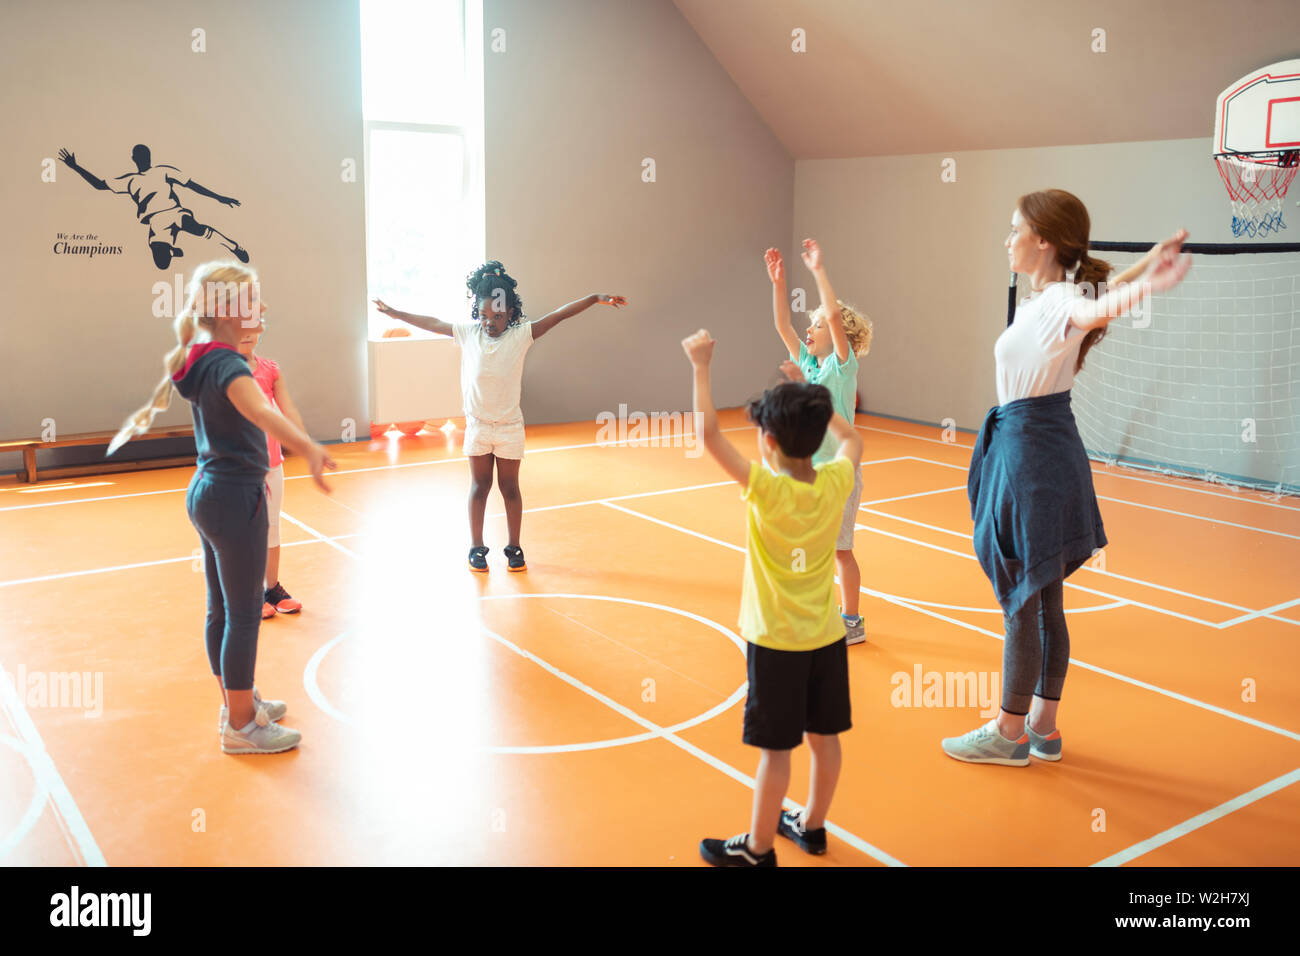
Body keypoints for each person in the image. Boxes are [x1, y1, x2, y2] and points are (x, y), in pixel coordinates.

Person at [944, 189, 1191, 765]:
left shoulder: (1060, 305)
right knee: (1046, 597)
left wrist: (1152, 284)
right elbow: (1091, 298)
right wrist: (1148, 261)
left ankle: (1007, 734)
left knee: (1024, 599)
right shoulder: (1050, 298)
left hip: (1032, 457)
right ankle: (1043, 729)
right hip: (1043, 449)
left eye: (1014, 230)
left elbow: (1091, 310)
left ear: (1044, 240)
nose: (1007, 240)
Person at [109, 261, 336, 754]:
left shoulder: (201, 356)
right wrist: (310, 449)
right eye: (256, 301)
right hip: (235, 498)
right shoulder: (231, 365)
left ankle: (236, 702)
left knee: (222, 610)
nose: (265, 308)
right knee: (244, 614)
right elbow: (260, 411)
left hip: (207, 491)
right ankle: (242, 728)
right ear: (230, 311)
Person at [682, 329, 862, 867]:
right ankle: (813, 826)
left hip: (776, 642)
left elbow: (709, 436)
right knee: (825, 738)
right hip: (826, 638)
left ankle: (759, 849)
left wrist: (700, 365)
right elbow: (852, 439)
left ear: (767, 442)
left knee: (776, 752)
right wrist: (813, 390)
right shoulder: (834, 482)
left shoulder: (765, 489)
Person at [374, 261, 625, 572]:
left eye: (498, 316)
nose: (490, 322)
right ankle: (476, 547)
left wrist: (595, 297)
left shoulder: (522, 336)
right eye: (483, 316)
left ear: (511, 314)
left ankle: (514, 547)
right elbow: (432, 322)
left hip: (508, 428)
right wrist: (397, 314)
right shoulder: (468, 334)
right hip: (478, 426)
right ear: (476, 314)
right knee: (479, 486)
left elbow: (559, 315)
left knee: (510, 488)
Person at [768, 239, 874, 644]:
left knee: (840, 551)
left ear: (836, 335)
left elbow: (831, 313)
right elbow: (782, 325)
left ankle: (852, 621)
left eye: (815, 326)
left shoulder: (842, 368)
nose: (808, 330)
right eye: (809, 326)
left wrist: (817, 270)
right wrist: (779, 281)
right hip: (810, 472)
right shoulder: (809, 364)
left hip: (840, 473)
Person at [233, 311, 309, 618]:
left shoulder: (269, 369)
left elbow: (287, 408)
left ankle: (272, 587)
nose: (248, 334)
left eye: (253, 328)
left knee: (271, 528)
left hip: (271, 463)